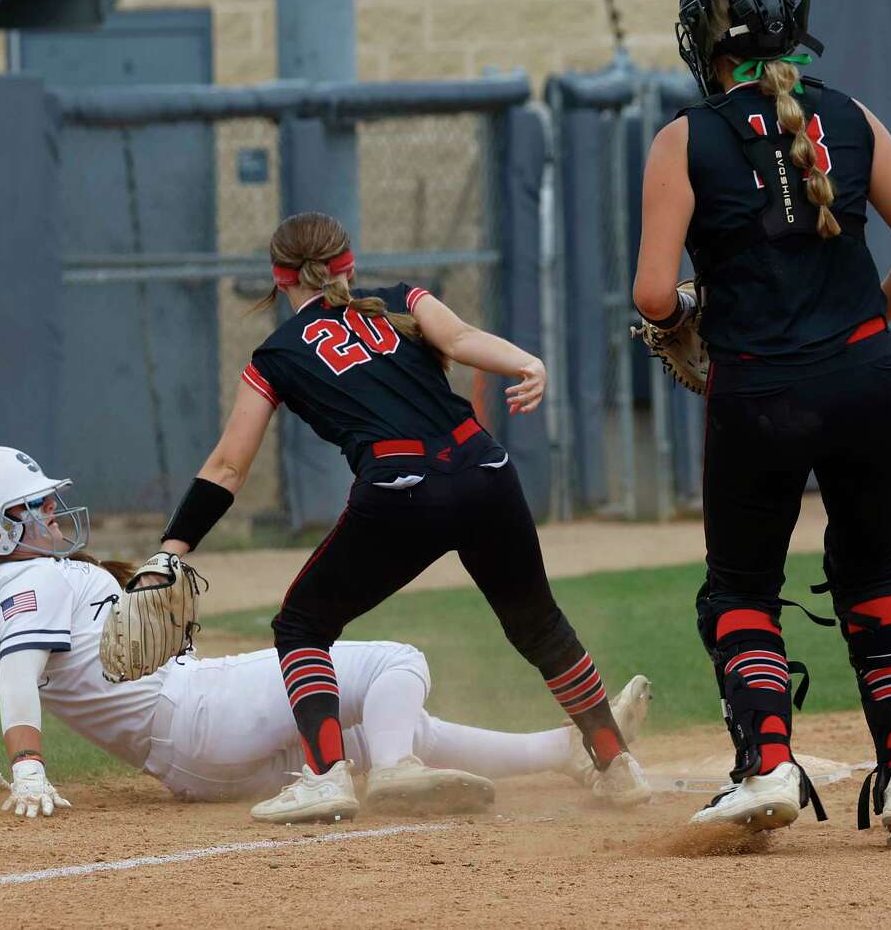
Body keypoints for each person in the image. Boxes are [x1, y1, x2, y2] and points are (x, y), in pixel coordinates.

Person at [142, 211, 651, 823]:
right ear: (348, 265)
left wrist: (175, 547)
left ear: (280, 281)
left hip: (402, 487)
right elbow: (461, 340)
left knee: (302, 625)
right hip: (485, 468)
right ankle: (614, 764)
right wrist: (527, 363)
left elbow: (227, 466)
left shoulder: (275, 354)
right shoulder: (398, 300)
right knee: (538, 625)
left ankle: (328, 775)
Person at [632, 0, 891, 847]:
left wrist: (690, 310)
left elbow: (655, 296)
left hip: (760, 389)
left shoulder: (683, 138)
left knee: (739, 587)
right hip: (865, 377)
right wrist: (858, 328)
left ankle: (768, 762)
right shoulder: (850, 117)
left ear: (705, 42)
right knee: (873, 569)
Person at [0, 446, 653, 820]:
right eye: (29, 510)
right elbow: (16, 673)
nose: (47, 516)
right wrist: (27, 764)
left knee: (361, 724)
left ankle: (570, 753)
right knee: (396, 662)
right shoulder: (28, 582)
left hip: (192, 762)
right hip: (195, 709)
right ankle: (394, 773)